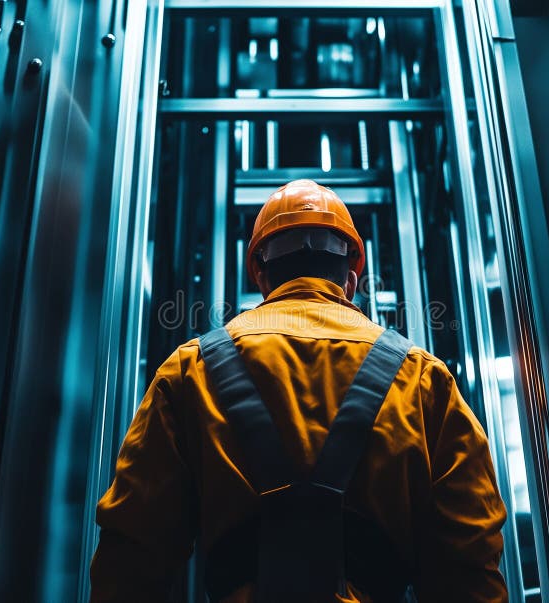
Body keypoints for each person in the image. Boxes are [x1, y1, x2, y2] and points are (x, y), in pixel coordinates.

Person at [90, 179, 508, 602]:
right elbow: (469, 561)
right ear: (350, 278)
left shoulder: (188, 371)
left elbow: (131, 556)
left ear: (260, 274)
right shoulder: (424, 379)